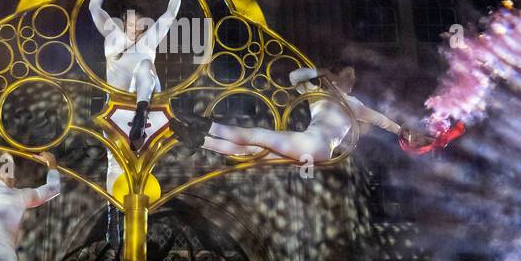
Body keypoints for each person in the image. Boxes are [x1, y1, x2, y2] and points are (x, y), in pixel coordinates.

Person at [169, 65, 431, 162]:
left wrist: (403, 133)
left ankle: (203, 125)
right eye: (343, 75)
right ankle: (200, 140)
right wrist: (319, 72)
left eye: (350, 79)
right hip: (308, 147)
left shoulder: (355, 106)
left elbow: (383, 122)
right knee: (251, 152)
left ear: (351, 86)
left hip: (318, 147)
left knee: (258, 136)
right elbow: (295, 77)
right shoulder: (317, 95)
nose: (346, 80)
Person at [89, 0, 187, 151]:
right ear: (124, 22)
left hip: (147, 106)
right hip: (117, 104)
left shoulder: (148, 40)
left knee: (144, 65)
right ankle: (139, 117)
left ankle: (141, 113)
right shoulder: (113, 35)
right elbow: (94, 8)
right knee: (116, 164)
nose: (135, 28)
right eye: (131, 24)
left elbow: (170, 14)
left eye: (139, 25)